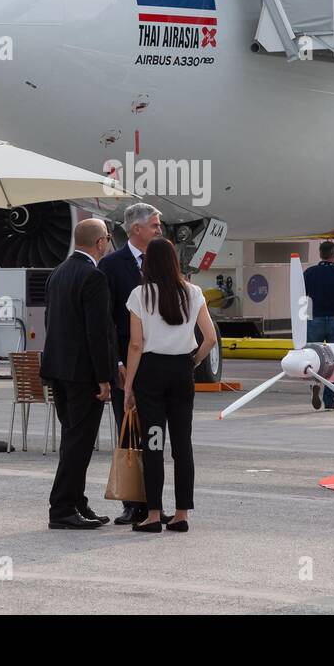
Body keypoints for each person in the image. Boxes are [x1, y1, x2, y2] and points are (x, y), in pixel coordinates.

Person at [122, 237, 217, 534]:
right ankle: (181, 514)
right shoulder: (194, 292)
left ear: (148, 262)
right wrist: (194, 361)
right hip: (181, 371)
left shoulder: (140, 295)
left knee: (152, 442)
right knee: (181, 444)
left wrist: (129, 387)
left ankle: (152, 514)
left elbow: (136, 345)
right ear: (175, 262)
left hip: (151, 373)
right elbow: (210, 338)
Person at [41, 218, 117, 530]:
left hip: (58, 370)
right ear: (100, 242)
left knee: (73, 439)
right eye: (108, 239)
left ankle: (76, 501)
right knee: (79, 443)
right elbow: (97, 333)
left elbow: (50, 322)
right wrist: (104, 377)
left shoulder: (57, 274)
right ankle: (61, 508)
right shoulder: (93, 277)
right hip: (83, 375)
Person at [98, 201, 161, 524]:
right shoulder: (111, 267)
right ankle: (131, 502)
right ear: (135, 229)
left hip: (158, 363)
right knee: (128, 433)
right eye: (154, 225)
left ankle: (153, 502)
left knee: (154, 433)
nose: (159, 230)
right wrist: (117, 362)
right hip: (126, 365)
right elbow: (107, 322)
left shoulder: (163, 263)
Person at [302, 240, 334, 410]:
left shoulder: (309, 273)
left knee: (314, 358)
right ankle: (329, 402)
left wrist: (303, 320)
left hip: (315, 319)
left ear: (320, 254)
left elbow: (301, 299)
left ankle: (315, 383)